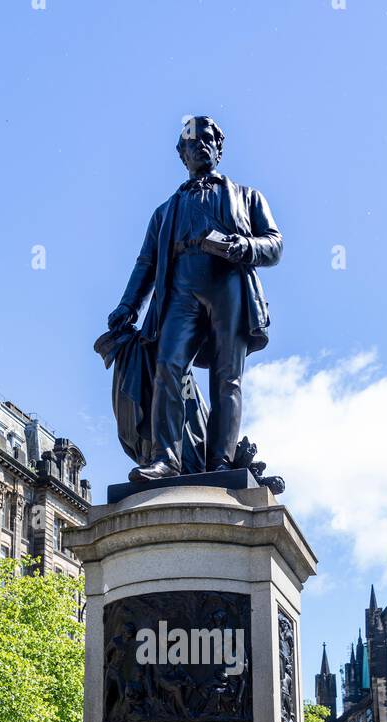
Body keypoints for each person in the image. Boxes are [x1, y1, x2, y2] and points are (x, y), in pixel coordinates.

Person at [103, 117, 282, 482]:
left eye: (208, 139)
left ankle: (220, 461)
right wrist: (128, 306)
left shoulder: (248, 197)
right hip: (180, 288)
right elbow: (146, 264)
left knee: (226, 378)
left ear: (219, 148)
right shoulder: (165, 211)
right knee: (168, 365)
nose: (201, 145)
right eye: (192, 141)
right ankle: (166, 458)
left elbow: (274, 243)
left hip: (227, 283)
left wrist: (244, 245)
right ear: (181, 153)